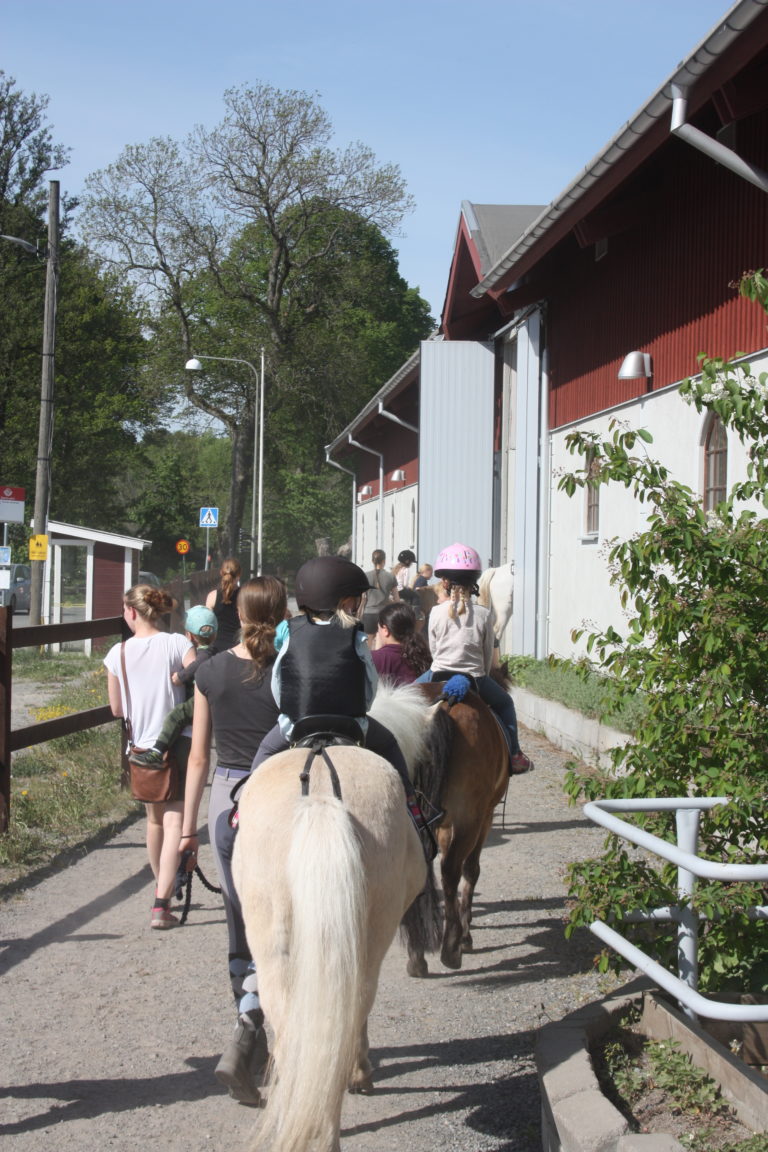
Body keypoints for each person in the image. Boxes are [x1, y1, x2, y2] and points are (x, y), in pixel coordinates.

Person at [250, 555, 438, 852]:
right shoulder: (356, 633)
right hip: (351, 724)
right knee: (389, 744)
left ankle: (242, 807)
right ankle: (411, 806)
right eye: (356, 599)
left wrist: (287, 713)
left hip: (296, 724)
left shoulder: (289, 630)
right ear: (346, 601)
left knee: (264, 751)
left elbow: (278, 682)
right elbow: (369, 686)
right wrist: (360, 708)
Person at [181, 577, 285, 1105]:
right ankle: (262, 1028)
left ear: (236, 614)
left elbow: (199, 756)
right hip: (282, 789)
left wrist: (185, 830)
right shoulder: (289, 671)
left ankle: (248, 1022)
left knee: (241, 916)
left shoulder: (210, 671)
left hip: (228, 796)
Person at [104, 584, 195, 929]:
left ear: (130, 612)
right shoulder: (176, 644)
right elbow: (199, 675)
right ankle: (162, 901)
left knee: (154, 822)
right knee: (175, 820)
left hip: (139, 748)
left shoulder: (118, 654)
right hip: (176, 743)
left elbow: (116, 708)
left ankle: (162, 890)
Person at [416, 543, 533, 775]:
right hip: (475, 679)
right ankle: (515, 754)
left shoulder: (436, 612)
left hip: (438, 674)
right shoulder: (484, 614)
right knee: (505, 704)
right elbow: (488, 654)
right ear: (474, 581)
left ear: (445, 582)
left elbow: (434, 649)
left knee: (405, 695)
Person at [128, 604, 218, 766]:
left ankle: (156, 752)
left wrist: (180, 677)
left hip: (201, 697)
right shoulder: (212, 651)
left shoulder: (203, 655)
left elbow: (196, 666)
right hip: (206, 696)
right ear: (215, 633)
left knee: (176, 715)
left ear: (189, 635)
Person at [372, 601, 431, 686]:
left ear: (385, 630)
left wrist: (378, 652)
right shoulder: (423, 654)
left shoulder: (375, 659)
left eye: (378, 629)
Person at [206, 557, 241, 652]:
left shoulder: (212, 596)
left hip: (216, 649)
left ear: (221, 573)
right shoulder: (245, 595)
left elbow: (207, 624)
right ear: (239, 575)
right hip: (238, 649)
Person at [362, 548, 397, 641]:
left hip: (368, 613)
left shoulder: (365, 576)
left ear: (372, 561)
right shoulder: (391, 576)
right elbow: (397, 600)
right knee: (381, 642)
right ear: (384, 561)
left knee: (368, 644)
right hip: (383, 614)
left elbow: (363, 598)